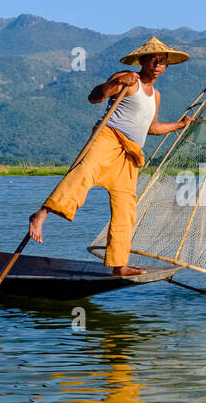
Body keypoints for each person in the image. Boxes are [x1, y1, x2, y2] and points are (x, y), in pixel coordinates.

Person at [27, 36, 193, 275]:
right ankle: (42, 213)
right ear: (143, 61)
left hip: (131, 154)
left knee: (126, 207)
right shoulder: (128, 79)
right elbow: (95, 97)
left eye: (162, 62)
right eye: (153, 60)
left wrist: (179, 125)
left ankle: (118, 265)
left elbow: (152, 128)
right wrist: (115, 85)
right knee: (83, 174)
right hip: (109, 138)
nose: (157, 65)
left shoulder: (155, 96)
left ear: (166, 66)